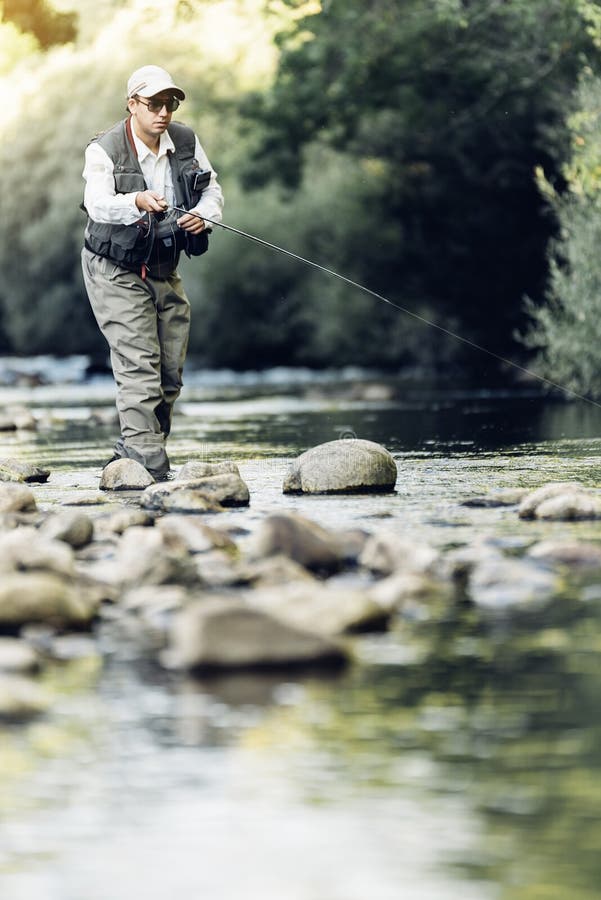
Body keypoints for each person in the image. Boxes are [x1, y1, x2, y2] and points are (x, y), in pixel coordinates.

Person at [81, 64, 224, 480]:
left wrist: (204, 216)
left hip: (163, 267)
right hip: (114, 268)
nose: (164, 112)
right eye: (154, 103)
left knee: (169, 373)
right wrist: (137, 201)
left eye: (171, 103)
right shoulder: (104, 149)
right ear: (132, 105)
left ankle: (131, 455)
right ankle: (152, 473)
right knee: (140, 369)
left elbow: (212, 189)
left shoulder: (185, 141)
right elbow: (97, 204)